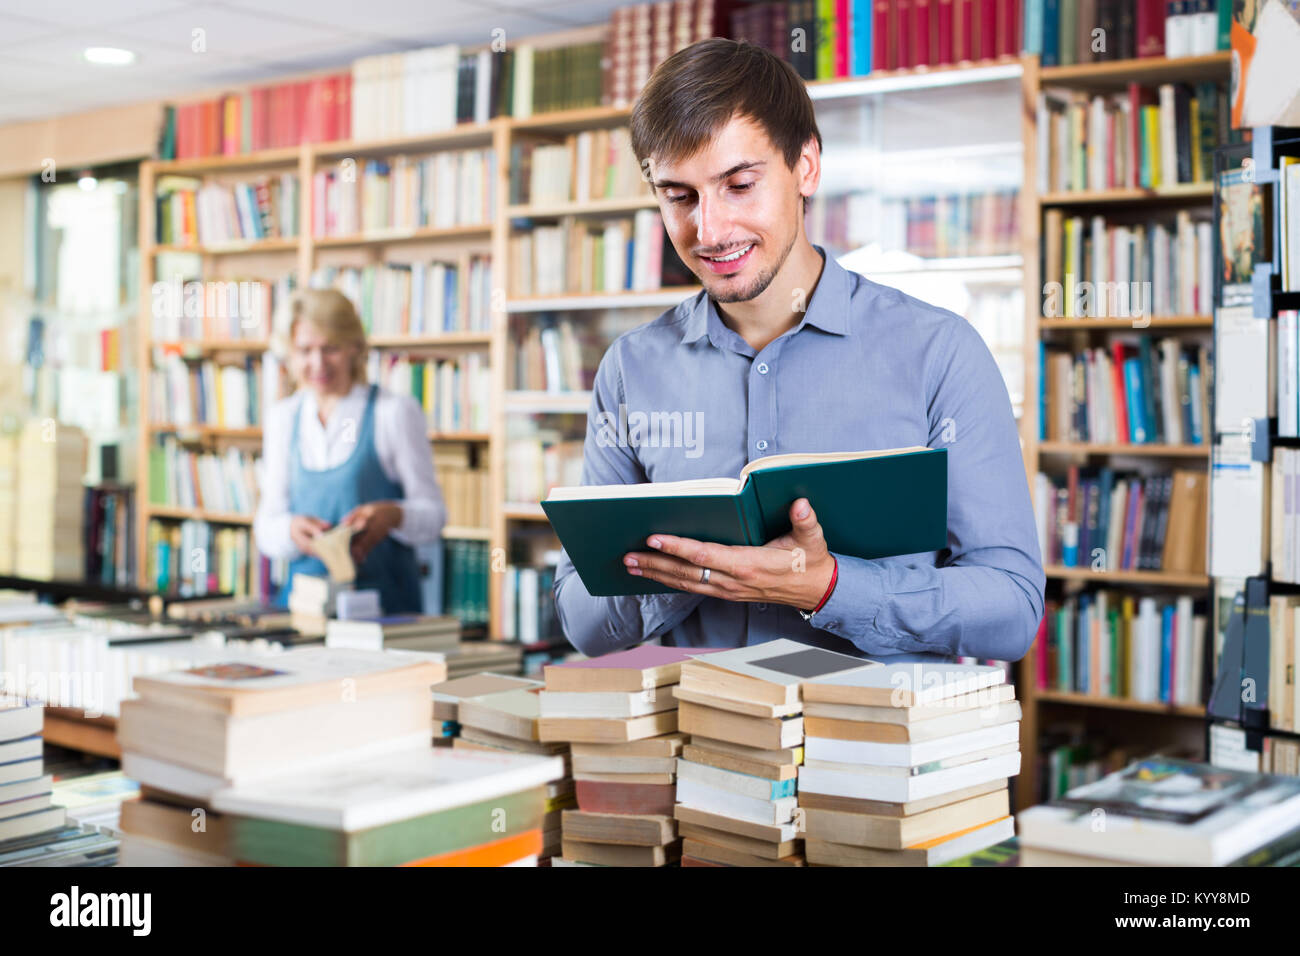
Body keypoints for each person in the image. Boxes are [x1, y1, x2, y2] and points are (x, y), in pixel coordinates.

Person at [553, 39, 1044, 663]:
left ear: (806, 167)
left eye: (739, 184)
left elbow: (1011, 609)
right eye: (679, 196)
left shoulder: (939, 352)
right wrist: (693, 571)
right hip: (698, 748)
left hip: (872, 751)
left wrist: (829, 587)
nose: (709, 230)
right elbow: (582, 622)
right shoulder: (630, 370)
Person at [254, 288, 445, 613]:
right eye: (305, 350)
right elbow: (266, 525)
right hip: (306, 610)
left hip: (385, 610)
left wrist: (394, 515)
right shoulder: (283, 417)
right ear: (290, 354)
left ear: (355, 348)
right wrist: (290, 530)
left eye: (330, 349)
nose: (317, 363)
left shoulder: (393, 412)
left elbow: (434, 516)